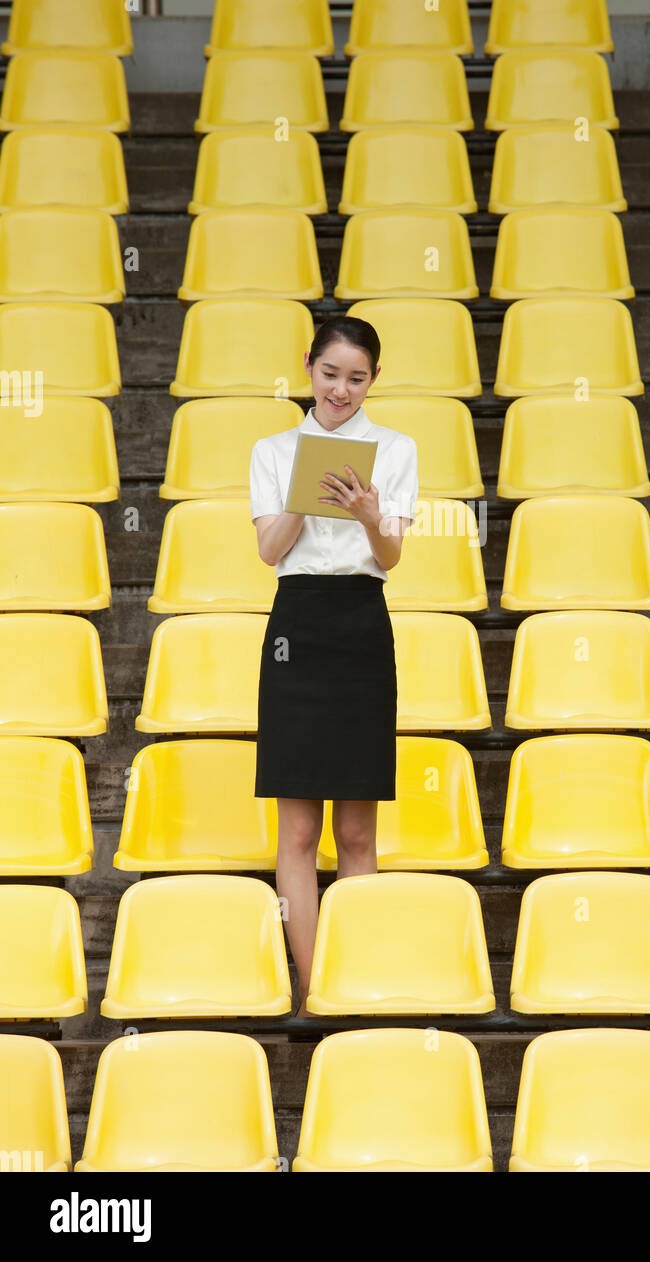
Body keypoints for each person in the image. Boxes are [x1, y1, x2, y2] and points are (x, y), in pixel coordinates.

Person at [248, 315, 419, 1017]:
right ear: (309, 369)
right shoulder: (273, 449)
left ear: (372, 380)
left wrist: (373, 516)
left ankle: (359, 977)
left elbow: (391, 557)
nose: (341, 389)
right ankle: (317, 987)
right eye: (330, 374)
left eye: (356, 377)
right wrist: (301, 493)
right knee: (297, 830)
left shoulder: (395, 448)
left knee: (356, 832)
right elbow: (268, 551)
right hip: (297, 624)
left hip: (359, 624)